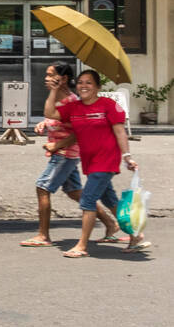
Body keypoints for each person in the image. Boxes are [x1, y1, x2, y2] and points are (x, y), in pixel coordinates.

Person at [45, 69, 148, 258]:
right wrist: (54, 90)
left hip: (106, 159)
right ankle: (135, 235)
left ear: (98, 87)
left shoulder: (109, 105)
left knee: (88, 200)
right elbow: (49, 112)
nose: (83, 86)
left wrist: (127, 156)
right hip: (89, 161)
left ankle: (82, 246)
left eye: (89, 83)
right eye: (81, 82)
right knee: (109, 199)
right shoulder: (74, 107)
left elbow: (120, 132)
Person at [21, 62, 121, 248]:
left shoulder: (73, 101)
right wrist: (44, 124)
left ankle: (43, 235)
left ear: (64, 79)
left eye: (51, 75)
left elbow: (78, 133)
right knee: (75, 192)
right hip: (62, 153)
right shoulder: (58, 97)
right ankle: (110, 223)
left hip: (66, 153)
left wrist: (56, 145)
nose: (46, 78)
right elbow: (52, 115)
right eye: (47, 75)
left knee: (42, 188)